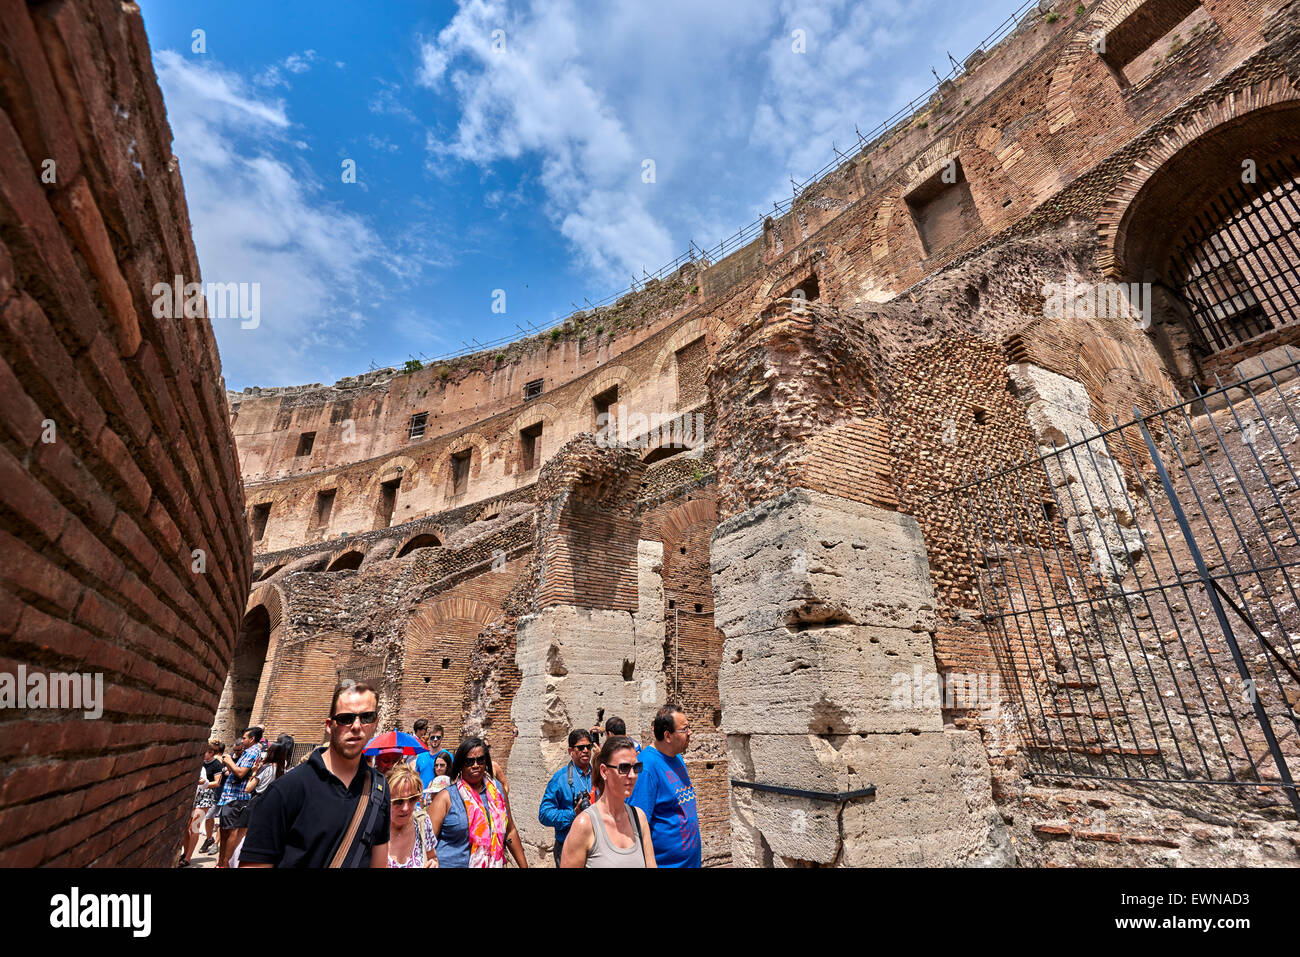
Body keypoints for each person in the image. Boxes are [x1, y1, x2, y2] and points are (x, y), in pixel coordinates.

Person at [240, 682, 390, 868]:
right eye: (345, 718)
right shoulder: (286, 789)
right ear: (329, 725)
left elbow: (378, 862)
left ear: (375, 722)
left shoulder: (379, 788)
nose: (357, 726)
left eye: (367, 717)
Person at [427, 738, 527, 868]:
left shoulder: (497, 791)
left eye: (480, 760)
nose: (475, 765)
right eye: (469, 761)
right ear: (460, 765)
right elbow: (426, 839)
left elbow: (510, 831)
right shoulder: (446, 797)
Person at [561, 736, 656, 868]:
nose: (632, 775)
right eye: (624, 768)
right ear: (604, 772)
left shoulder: (639, 818)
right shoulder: (585, 825)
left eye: (636, 767)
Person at [628, 704, 701, 868]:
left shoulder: (677, 758)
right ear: (668, 736)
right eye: (684, 729)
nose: (690, 733)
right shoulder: (646, 768)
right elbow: (637, 827)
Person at [538, 729, 594, 865]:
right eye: (580, 748)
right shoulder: (560, 779)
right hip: (568, 846)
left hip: (595, 847)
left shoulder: (599, 775)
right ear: (570, 751)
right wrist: (574, 813)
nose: (586, 750)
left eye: (589, 747)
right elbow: (544, 814)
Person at [229, 741, 287, 868]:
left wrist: (254, 773)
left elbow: (248, 788)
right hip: (271, 804)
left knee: (240, 834)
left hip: (257, 801)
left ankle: (233, 862)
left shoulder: (265, 767)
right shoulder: (283, 770)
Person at [215, 726, 264, 868]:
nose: (242, 740)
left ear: (252, 739)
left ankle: (225, 864)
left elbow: (241, 773)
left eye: (244, 738)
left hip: (236, 797)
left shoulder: (252, 752)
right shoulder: (247, 752)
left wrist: (230, 761)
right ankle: (221, 863)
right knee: (224, 831)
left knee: (231, 831)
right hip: (230, 796)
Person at [179, 739, 224, 866]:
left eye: (205, 752)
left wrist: (204, 783)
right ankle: (185, 852)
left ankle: (188, 857)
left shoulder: (216, 765)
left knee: (194, 827)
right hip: (194, 795)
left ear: (211, 752)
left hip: (205, 797)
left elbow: (217, 783)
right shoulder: (201, 762)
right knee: (187, 827)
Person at [385, 763, 439, 868]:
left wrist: (433, 863)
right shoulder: (374, 828)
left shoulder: (423, 823)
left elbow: (432, 857)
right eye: (398, 801)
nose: (406, 808)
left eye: (412, 799)